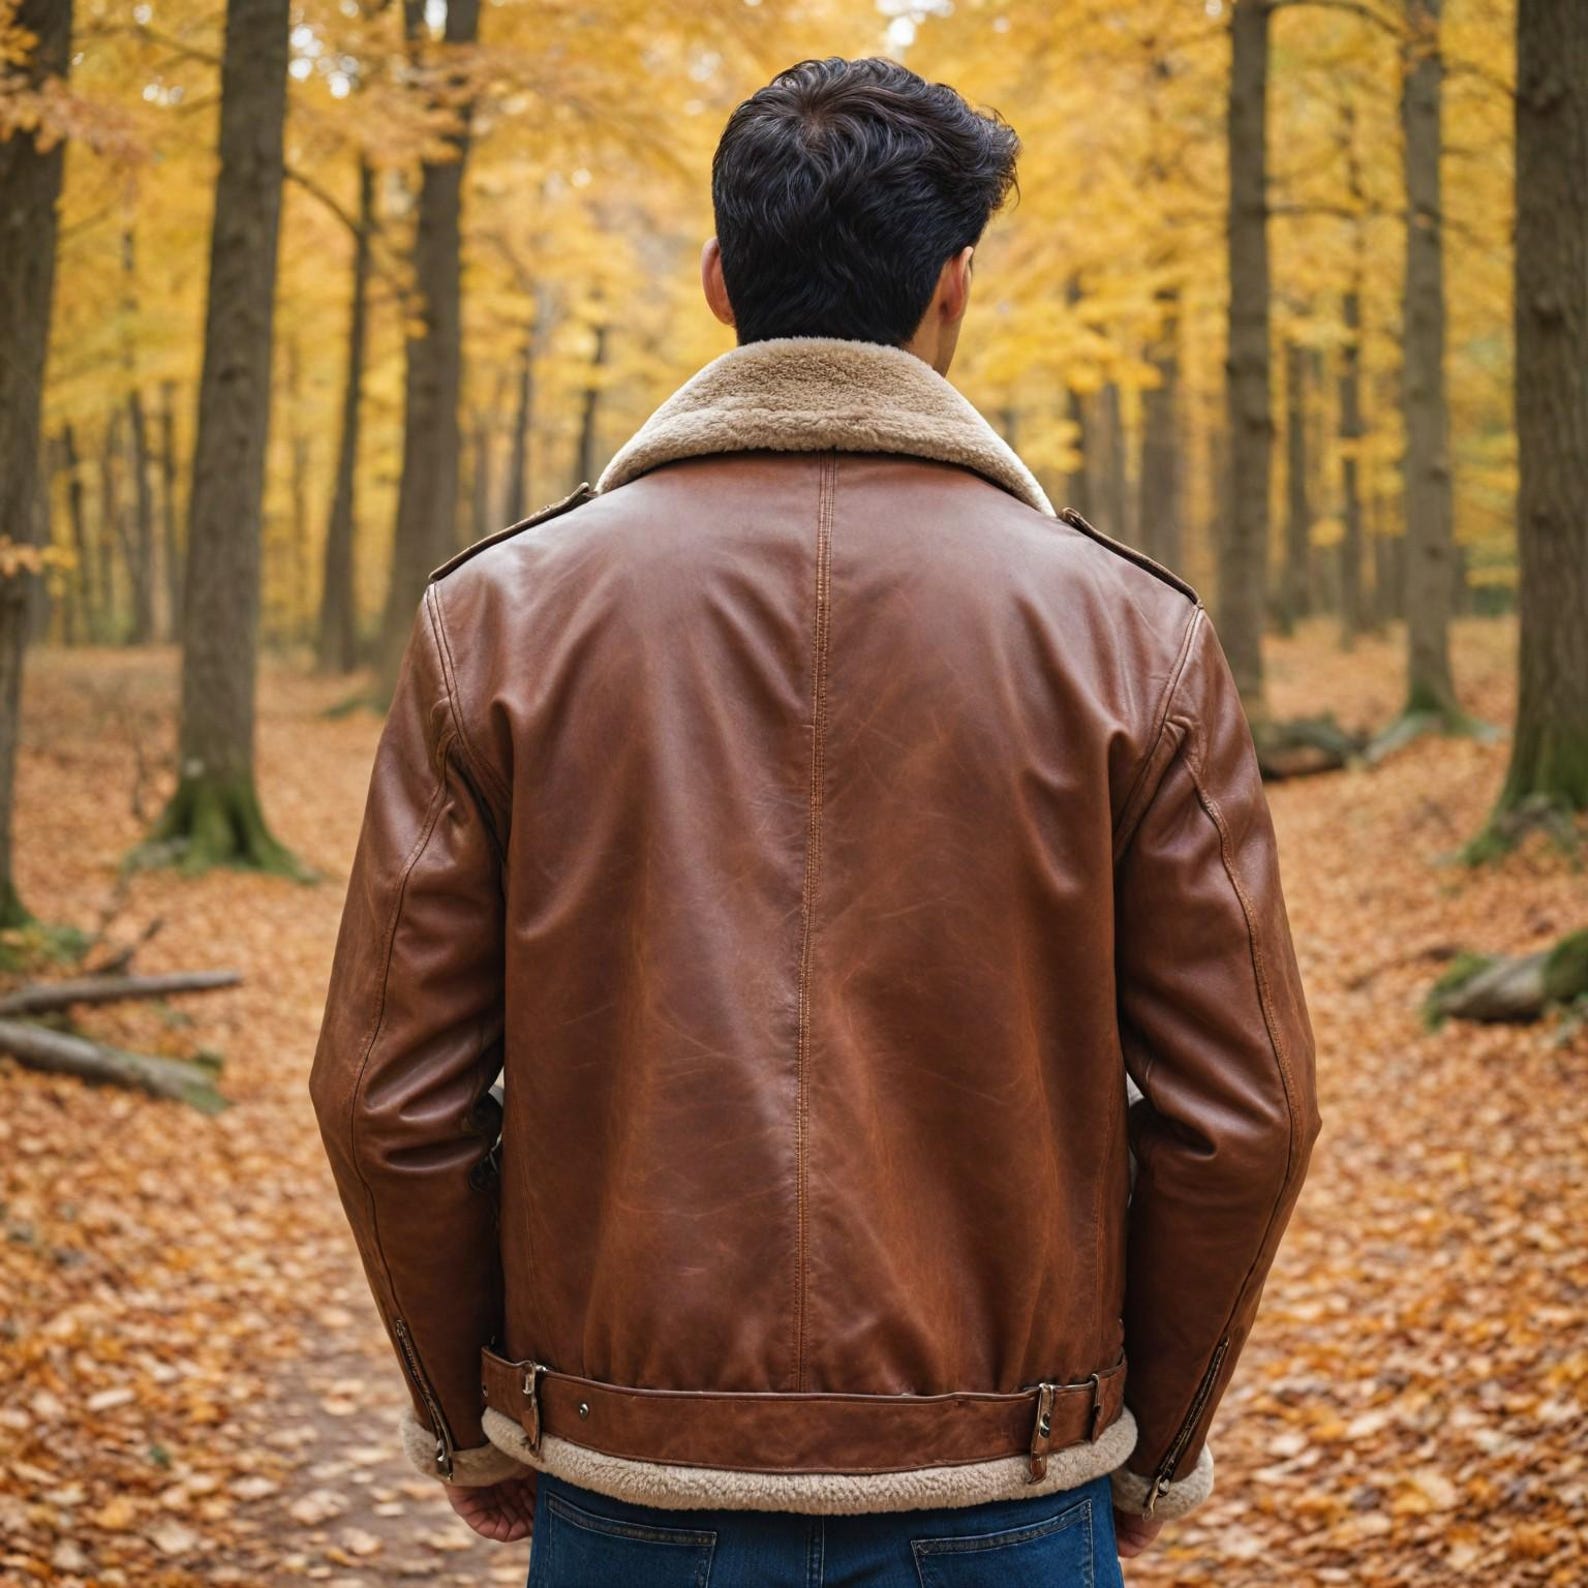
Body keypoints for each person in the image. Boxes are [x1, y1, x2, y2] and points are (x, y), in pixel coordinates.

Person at [309, 54, 1322, 1588]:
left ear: (720, 281)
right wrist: (1151, 1443)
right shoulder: (1133, 634)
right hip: (1011, 1489)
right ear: (955, 286)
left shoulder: (498, 619)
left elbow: (388, 1099)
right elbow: (1244, 1117)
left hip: (631, 1493)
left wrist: (475, 1423)